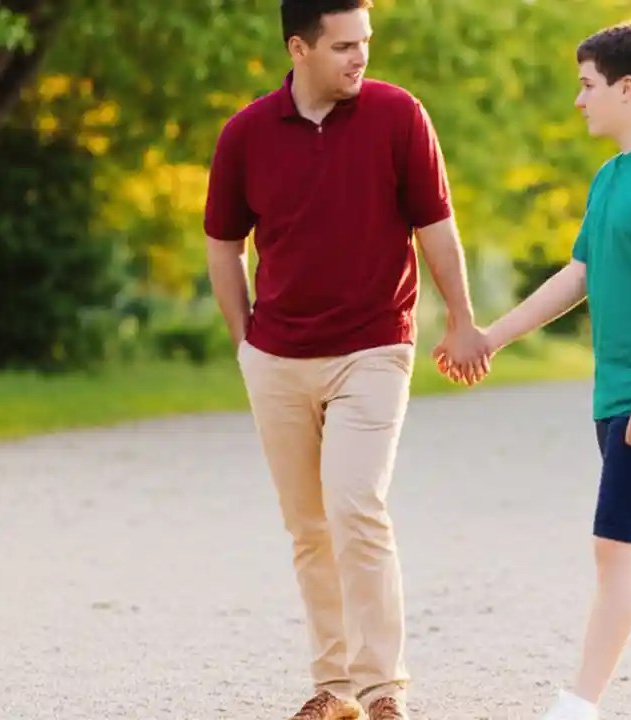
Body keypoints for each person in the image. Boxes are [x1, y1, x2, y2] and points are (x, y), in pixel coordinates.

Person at [202, 1, 492, 718]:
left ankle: (382, 685)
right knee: (308, 526)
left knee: (356, 505)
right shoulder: (245, 134)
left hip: (373, 346)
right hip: (278, 356)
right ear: (298, 48)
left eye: (364, 42)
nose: (360, 57)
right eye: (342, 46)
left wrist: (461, 320)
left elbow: (437, 229)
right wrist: (245, 342)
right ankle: (332, 688)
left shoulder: (400, 117)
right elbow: (221, 243)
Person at [468, 20, 631, 720]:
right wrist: (494, 336)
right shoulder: (612, 177)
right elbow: (577, 275)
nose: (579, 100)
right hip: (622, 395)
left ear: (626, 87)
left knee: (614, 550)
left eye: (587, 86)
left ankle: (576, 705)